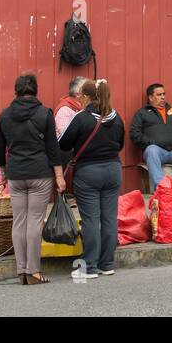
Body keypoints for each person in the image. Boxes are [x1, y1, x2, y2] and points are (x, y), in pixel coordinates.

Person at [0, 73, 66, 285]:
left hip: (16, 174)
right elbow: (53, 148)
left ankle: (21, 270)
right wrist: (59, 176)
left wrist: (3, 175)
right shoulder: (44, 114)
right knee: (34, 222)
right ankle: (33, 271)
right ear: (35, 91)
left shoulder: (4, 115)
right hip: (40, 174)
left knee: (19, 222)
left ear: (16, 91)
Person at [60, 79, 123, 279]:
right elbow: (120, 144)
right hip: (113, 170)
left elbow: (63, 144)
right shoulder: (116, 117)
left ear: (87, 97)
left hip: (88, 173)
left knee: (91, 220)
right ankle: (107, 264)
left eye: (81, 97)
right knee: (109, 218)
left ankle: (89, 266)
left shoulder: (81, 118)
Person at [129, 83, 172, 186]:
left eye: (163, 94)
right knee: (151, 150)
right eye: (159, 95)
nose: (162, 97)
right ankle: (162, 187)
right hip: (158, 152)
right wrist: (151, 142)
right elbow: (134, 134)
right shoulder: (142, 113)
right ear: (151, 97)